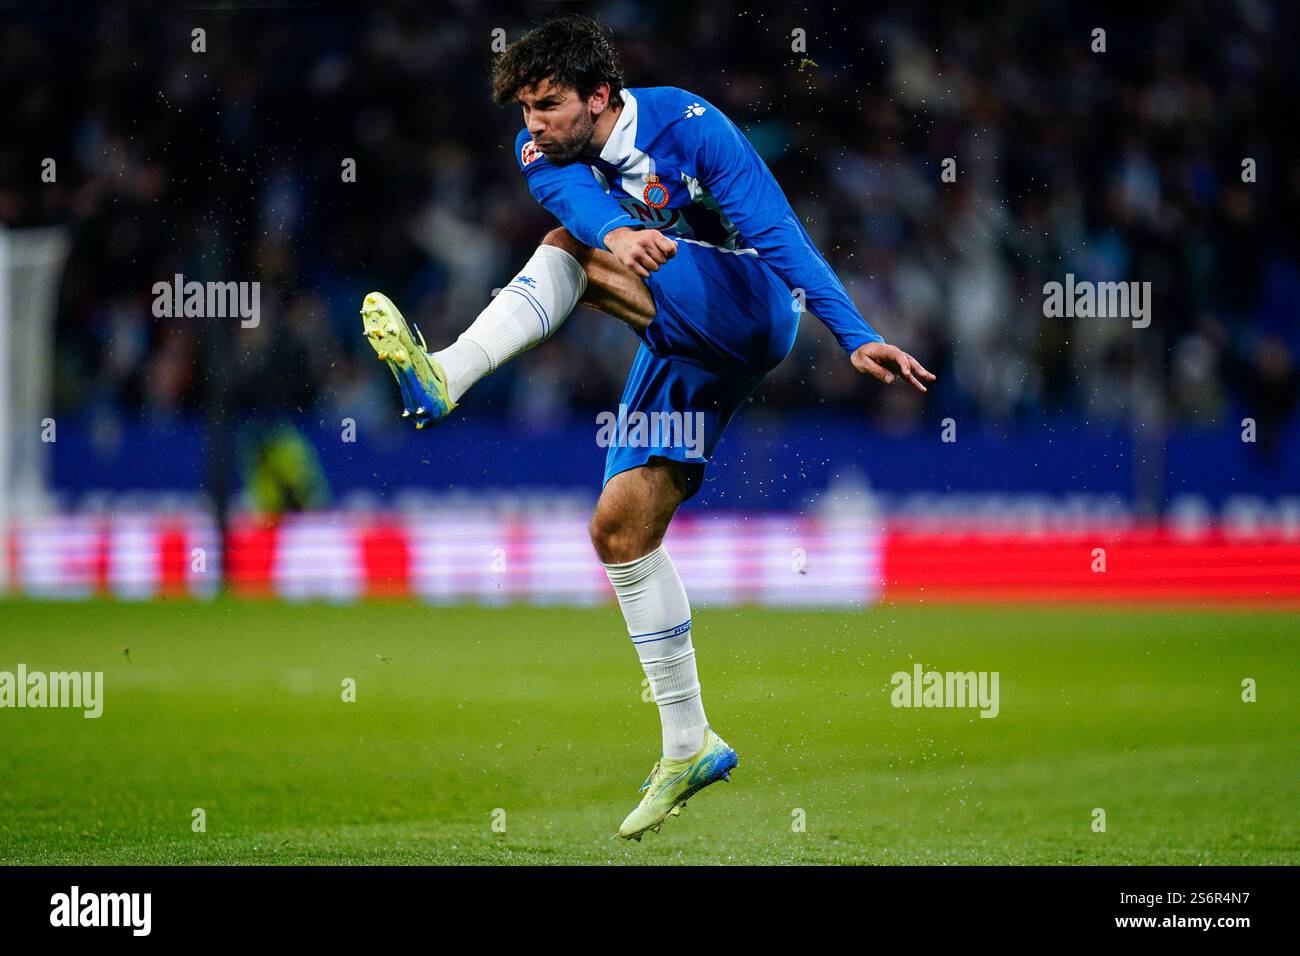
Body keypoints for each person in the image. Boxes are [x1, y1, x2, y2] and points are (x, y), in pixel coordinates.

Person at [359, 14, 934, 841]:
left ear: (601, 96)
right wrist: (620, 232)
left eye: (549, 105)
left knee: (570, 252)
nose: (533, 125)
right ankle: (689, 741)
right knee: (621, 530)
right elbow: (576, 201)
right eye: (524, 108)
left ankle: (444, 375)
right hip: (681, 339)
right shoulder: (542, 154)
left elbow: (777, 234)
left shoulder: (692, 128)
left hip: (750, 308)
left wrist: (854, 332)